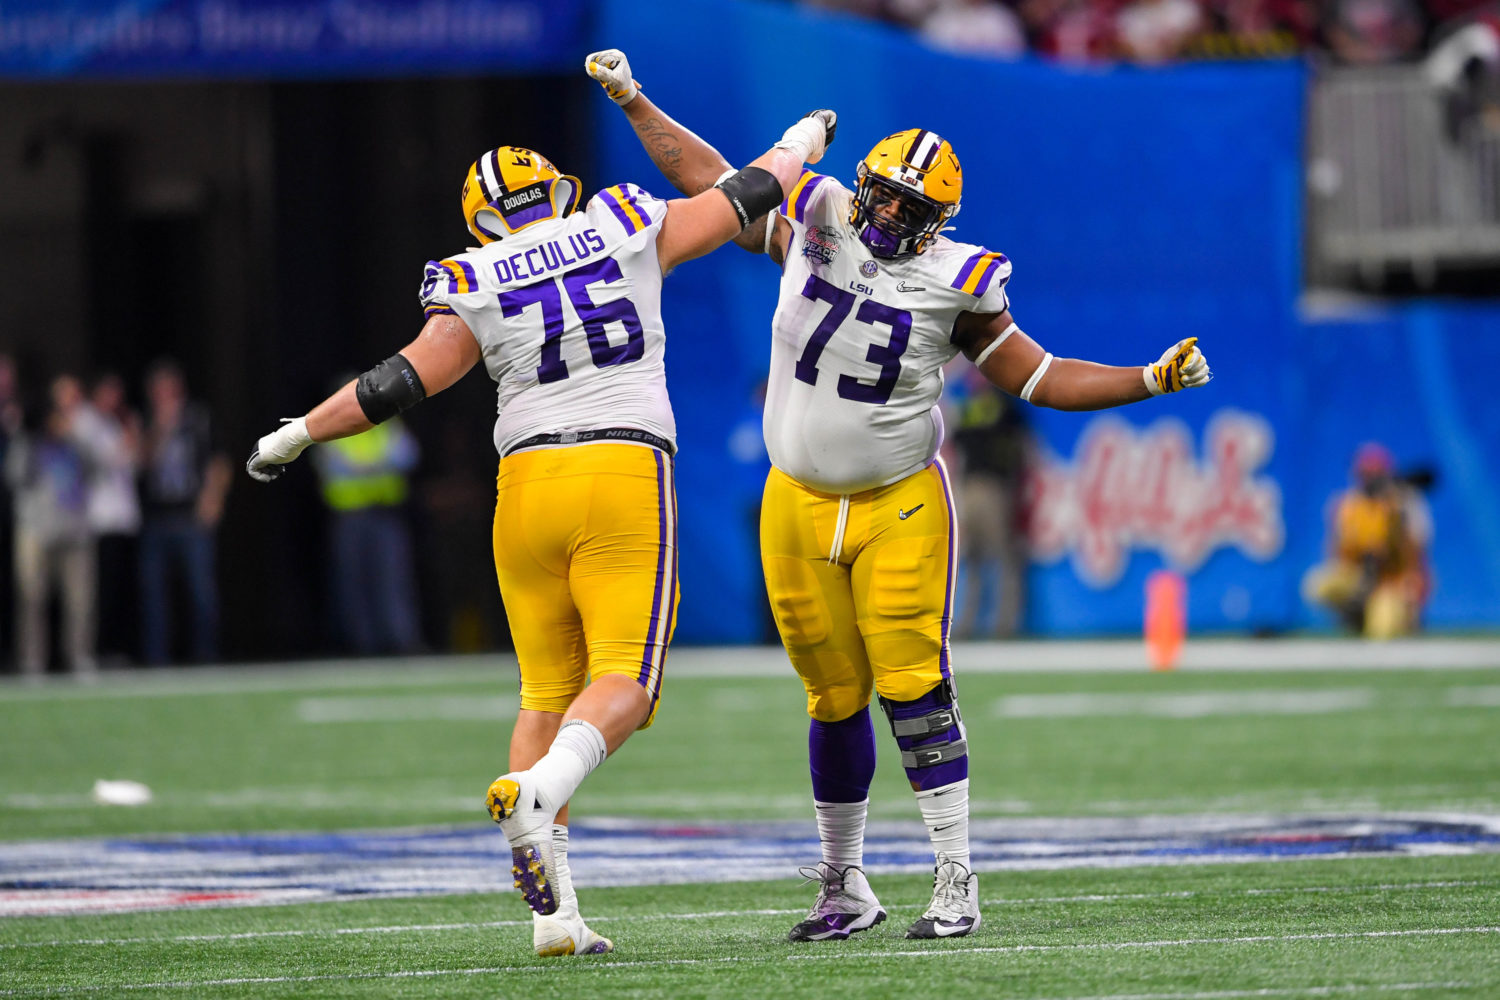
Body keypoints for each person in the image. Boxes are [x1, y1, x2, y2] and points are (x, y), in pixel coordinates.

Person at [590, 48, 1211, 941]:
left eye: (904, 207)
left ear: (935, 220)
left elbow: (1040, 377)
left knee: (914, 690)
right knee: (830, 698)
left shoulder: (960, 281)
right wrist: (636, 101)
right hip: (795, 500)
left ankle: (955, 879)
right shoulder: (818, 216)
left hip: (899, 504)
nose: (882, 213)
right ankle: (844, 885)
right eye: (878, 194)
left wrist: (1147, 378)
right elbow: (711, 184)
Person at [245, 108, 837, 957]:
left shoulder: (471, 273)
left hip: (523, 487)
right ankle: (541, 791)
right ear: (559, 190)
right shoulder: (621, 221)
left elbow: (401, 380)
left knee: (543, 694)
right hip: (621, 470)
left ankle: (554, 917)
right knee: (626, 682)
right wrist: (801, 144)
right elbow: (739, 197)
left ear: (482, 220)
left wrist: (299, 432)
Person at [6, 375, 101, 676]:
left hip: (75, 531)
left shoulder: (79, 439)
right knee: (32, 599)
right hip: (36, 530)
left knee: (80, 600)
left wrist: (71, 434)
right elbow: (13, 476)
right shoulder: (29, 441)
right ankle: (33, 661)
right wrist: (29, 434)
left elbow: (99, 468)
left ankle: (80, 657)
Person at [139, 360, 231, 665]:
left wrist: (213, 500)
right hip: (157, 515)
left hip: (190, 514)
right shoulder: (147, 421)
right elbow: (140, 463)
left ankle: (206, 652)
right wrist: (159, 429)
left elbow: (219, 461)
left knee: (200, 589)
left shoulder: (198, 419)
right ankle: (157, 655)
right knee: (154, 594)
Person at [312, 410, 423, 656]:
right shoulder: (332, 426)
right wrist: (378, 465)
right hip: (350, 516)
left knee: (393, 578)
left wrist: (361, 467)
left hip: (385, 513)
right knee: (354, 582)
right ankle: (360, 645)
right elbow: (331, 466)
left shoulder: (387, 424)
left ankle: (399, 641)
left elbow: (407, 457)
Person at [1302, 442, 1429, 639]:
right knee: (1317, 584)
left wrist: (1395, 516)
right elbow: (1335, 554)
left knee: (1381, 630)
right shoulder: (1347, 506)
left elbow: (1415, 556)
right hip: (1360, 575)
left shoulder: (1403, 505)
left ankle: (1404, 620)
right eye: (1366, 474)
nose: (1370, 480)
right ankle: (1354, 615)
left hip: (1390, 581)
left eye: (1375, 475)